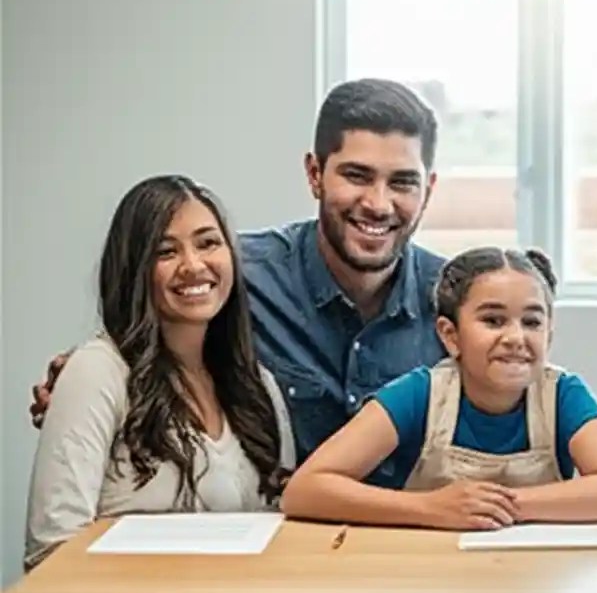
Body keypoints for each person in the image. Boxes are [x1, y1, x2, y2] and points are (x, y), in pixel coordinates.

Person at [31, 79, 448, 488]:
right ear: (314, 173)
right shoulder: (233, 273)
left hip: (415, 545)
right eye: (357, 176)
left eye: (402, 182)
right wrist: (81, 377)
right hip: (276, 545)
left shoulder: (458, 303)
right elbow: (143, 330)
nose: (377, 203)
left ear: (427, 189)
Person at [25, 176, 294, 571]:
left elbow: (282, 531)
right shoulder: (98, 372)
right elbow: (50, 550)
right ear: (134, 270)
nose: (193, 265)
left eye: (208, 243)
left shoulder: (258, 386)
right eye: (166, 251)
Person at [280, 247, 597, 530]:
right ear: (450, 335)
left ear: (549, 333)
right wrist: (431, 508)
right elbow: (306, 490)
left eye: (531, 321)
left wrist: (501, 505)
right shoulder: (419, 394)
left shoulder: (563, 395)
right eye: (493, 320)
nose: (516, 337)